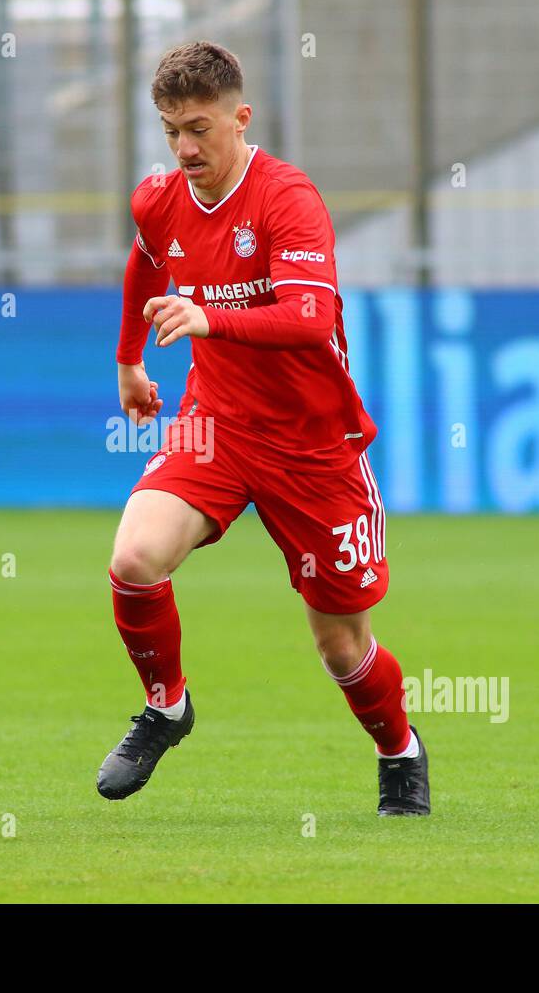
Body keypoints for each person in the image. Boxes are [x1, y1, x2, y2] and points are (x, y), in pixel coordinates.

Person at [97, 41, 429, 816]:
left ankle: (398, 751)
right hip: (216, 425)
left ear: (241, 119)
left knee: (341, 645)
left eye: (200, 129)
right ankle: (167, 705)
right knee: (136, 557)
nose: (185, 148)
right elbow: (146, 258)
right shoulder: (160, 196)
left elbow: (311, 320)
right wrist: (128, 361)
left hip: (314, 444)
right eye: (171, 129)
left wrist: (207, 316)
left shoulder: (288, 198)